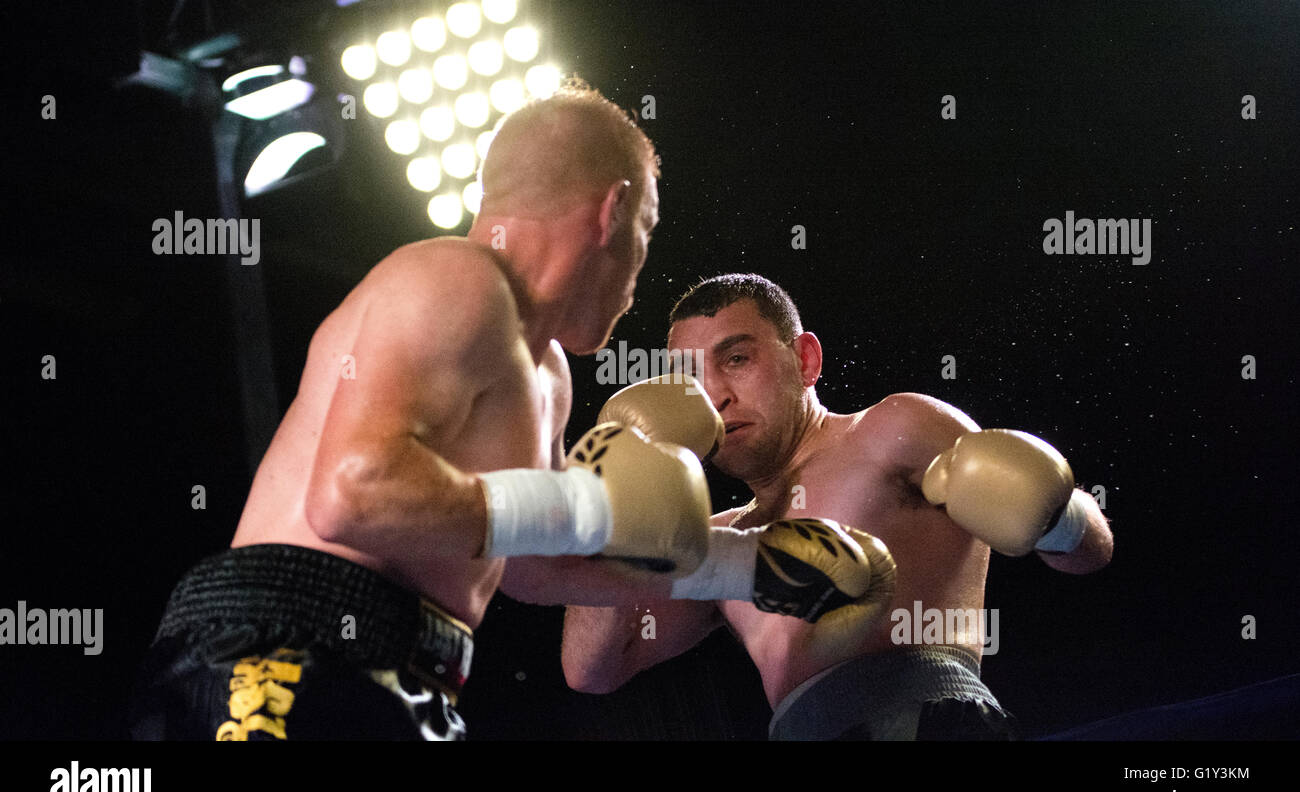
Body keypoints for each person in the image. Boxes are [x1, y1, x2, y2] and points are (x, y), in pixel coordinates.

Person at [129, 86, 893, 742]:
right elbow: (350, 494)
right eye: (647, 233)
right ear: (612, 210)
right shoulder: (454, 280)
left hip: (419, 671)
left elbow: (531, 563)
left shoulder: (548, 375)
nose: (638, 273)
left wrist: (752, 566)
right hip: (279, 644)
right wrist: (587, 499)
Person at [562, 274, 1114, 740]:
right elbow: (591, 671)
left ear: (804, 359)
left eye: (736, 358)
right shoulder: (716, 540)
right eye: (689, 378)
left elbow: (1093, 551)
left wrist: (1057, 515)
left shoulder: (892, 430)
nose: (714, 395)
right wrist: (612, 516)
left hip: (933, 721)